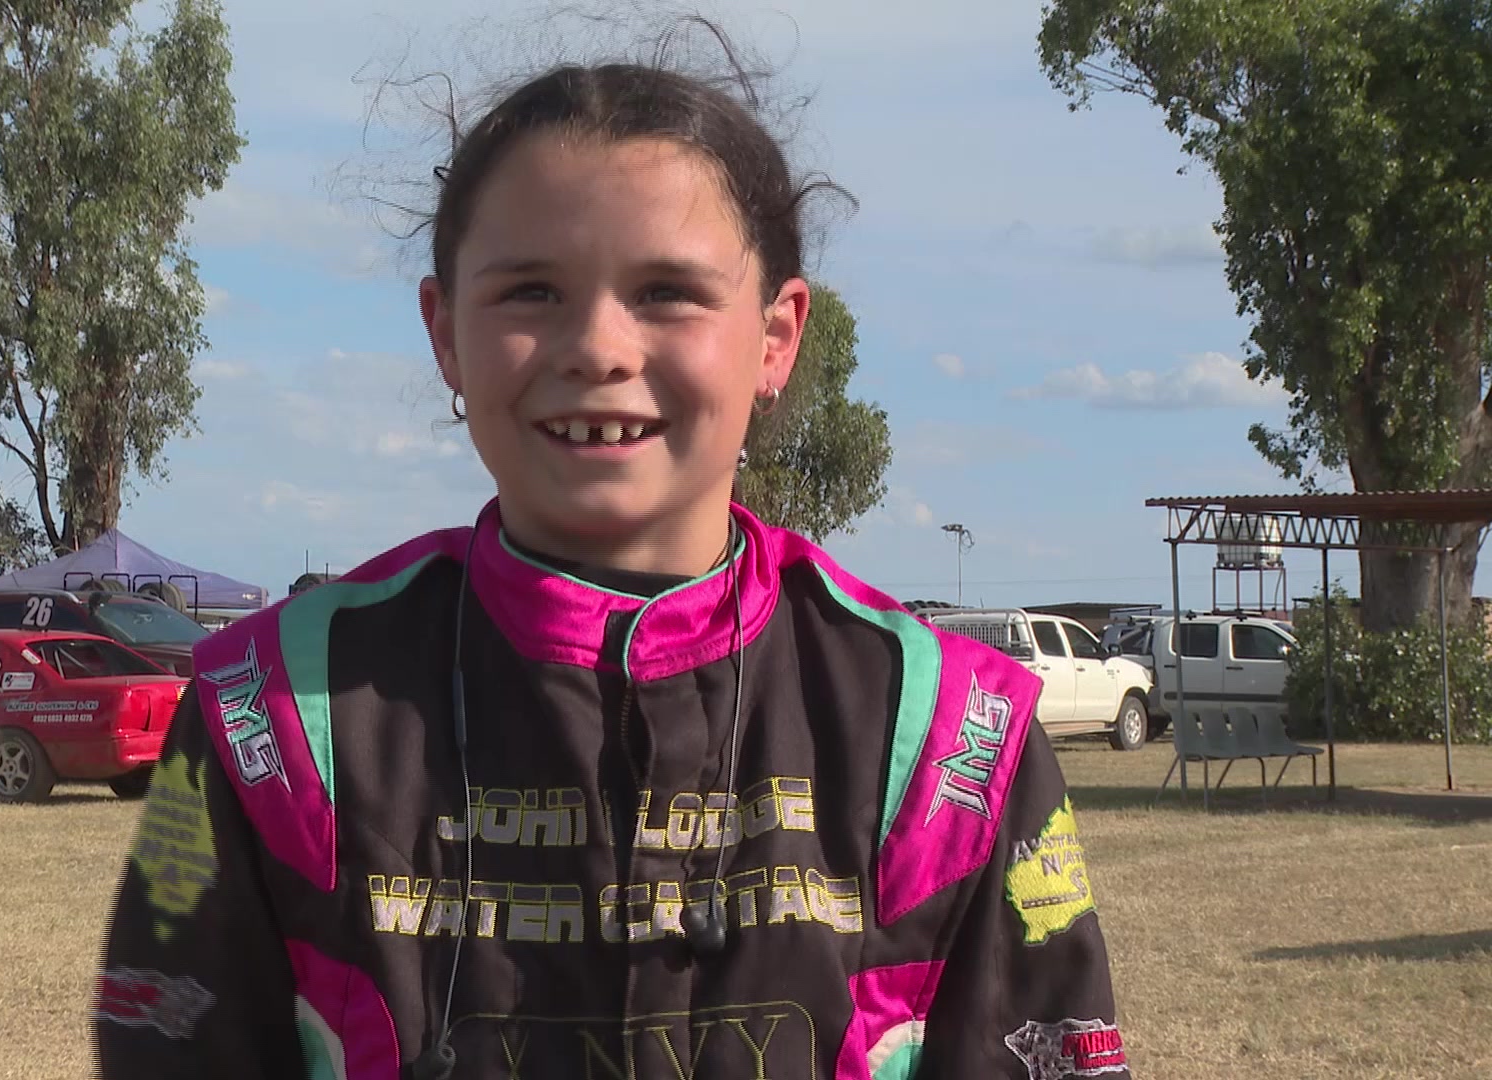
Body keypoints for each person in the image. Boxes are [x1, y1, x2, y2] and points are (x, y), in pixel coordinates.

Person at [92, 27, 1128, 1080]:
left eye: (667, 291)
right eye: (530, 292)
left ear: (776, 337)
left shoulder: (951, 736)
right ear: (445, 333)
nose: (597, 346)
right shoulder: (272, 712)